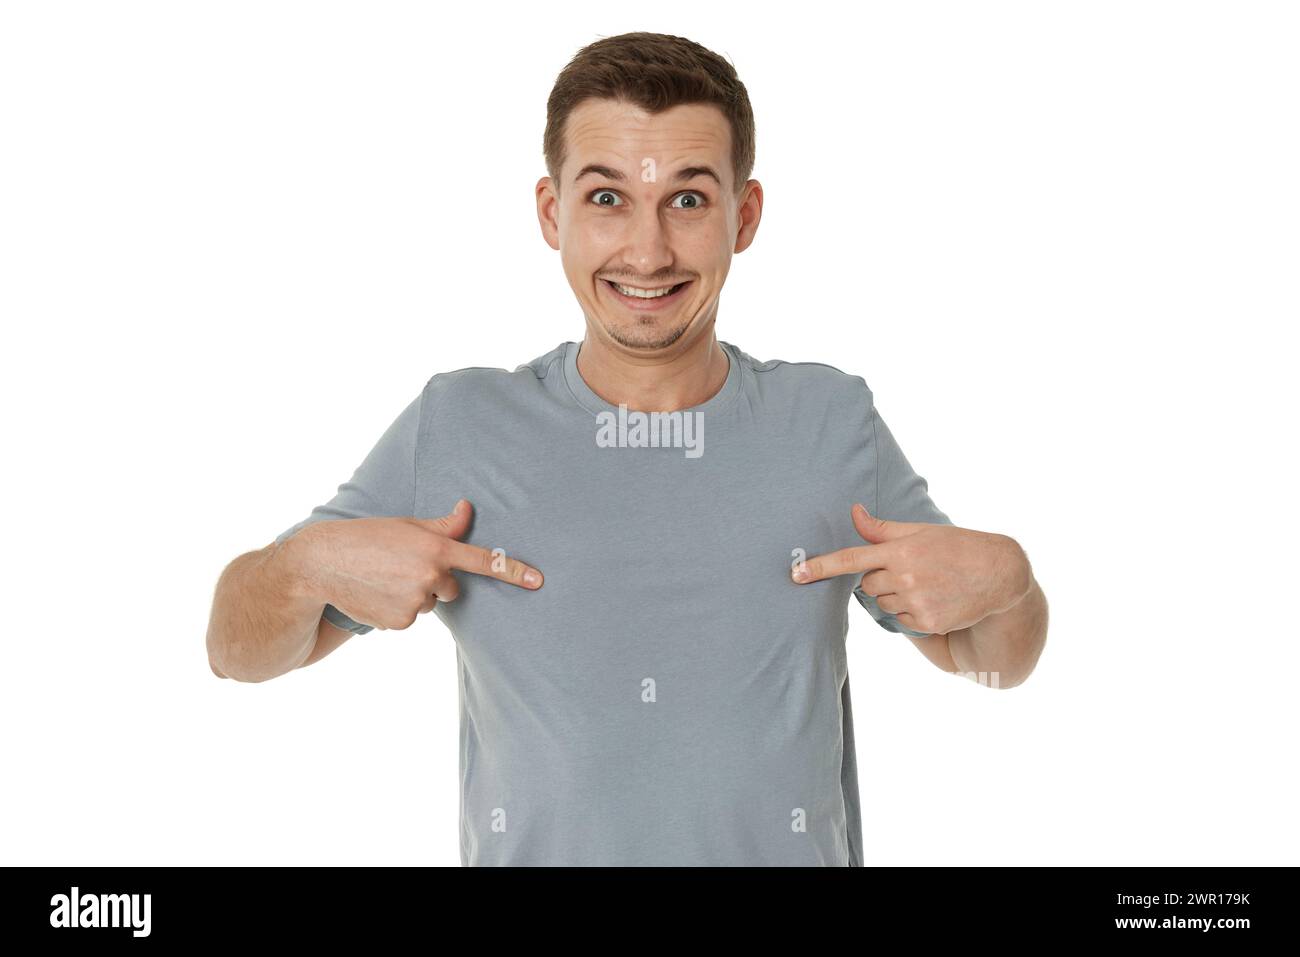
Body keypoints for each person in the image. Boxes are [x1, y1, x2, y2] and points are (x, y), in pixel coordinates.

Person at [206, 31, 1049, 866]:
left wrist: (1011, 582)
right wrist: (307, 565)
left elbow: (991, 660)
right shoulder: (458, 424)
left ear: (743, 215)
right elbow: (234, 652)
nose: (647, 252)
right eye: (608, 198)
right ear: (552, 212)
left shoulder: (831, 421)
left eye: (687, 200)